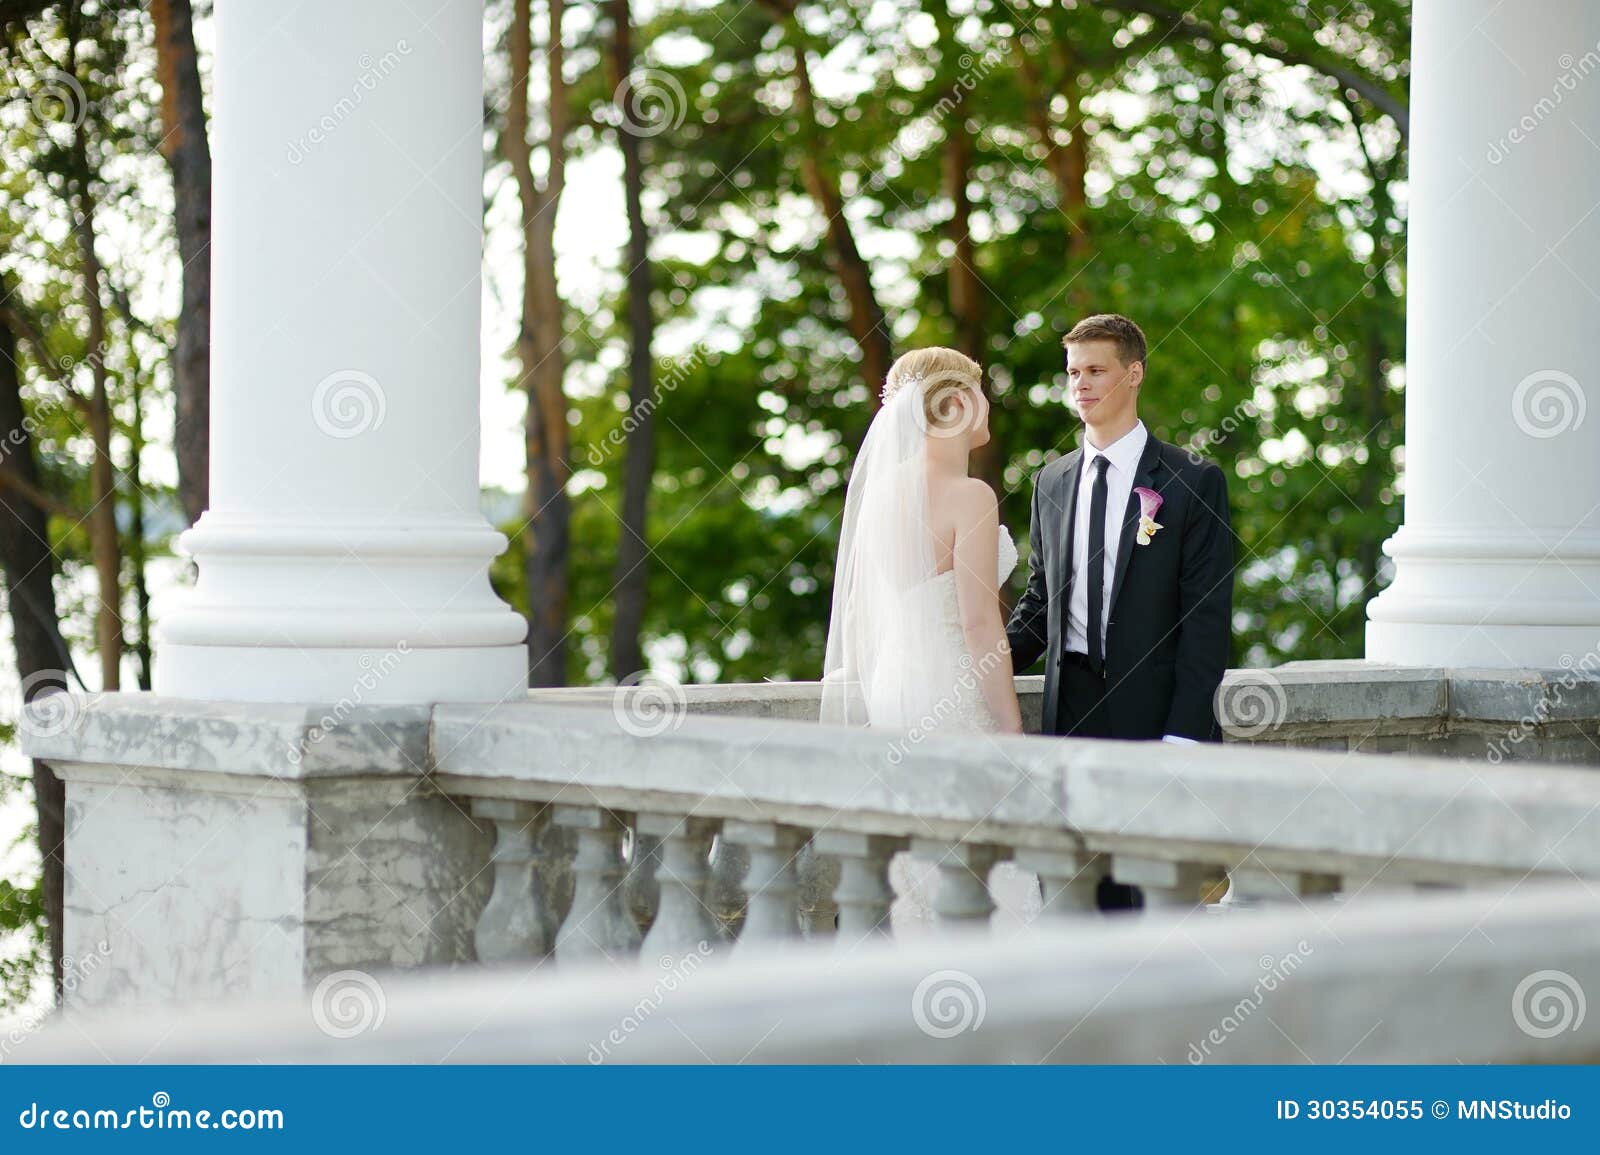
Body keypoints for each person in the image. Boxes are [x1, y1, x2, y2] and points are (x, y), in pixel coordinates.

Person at [1007, 313, 1234, 909]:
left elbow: (1205, 619)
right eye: (1073, 372)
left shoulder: (1192, 480)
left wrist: (1183, 735)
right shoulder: (1050, 482)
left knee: (1150, 897)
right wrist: (973, 667)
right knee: (1074, 892)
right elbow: (1039, 602)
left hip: (1153, 713)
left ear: (1133, 374)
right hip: (1069, 710)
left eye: (1095, 371)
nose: (1080, 384)